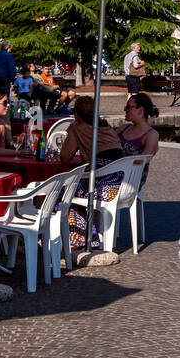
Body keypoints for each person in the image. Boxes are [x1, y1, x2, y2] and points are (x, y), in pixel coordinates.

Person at [61, 95, 127, 252]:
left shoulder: (78, 129)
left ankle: (79, 237)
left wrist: (71, 131)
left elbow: (65, 157)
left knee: (61, 192)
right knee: (74, 187)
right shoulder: (106, 127)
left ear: (77, 115)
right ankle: (82, 234)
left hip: (102, 186)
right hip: (120, 183)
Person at [119, 92, 159, 184]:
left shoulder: (151, 135)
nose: (125, 110)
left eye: (128, 107)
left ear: (140, 110)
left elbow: (142, 161)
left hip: (129, 182)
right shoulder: (123, 128)